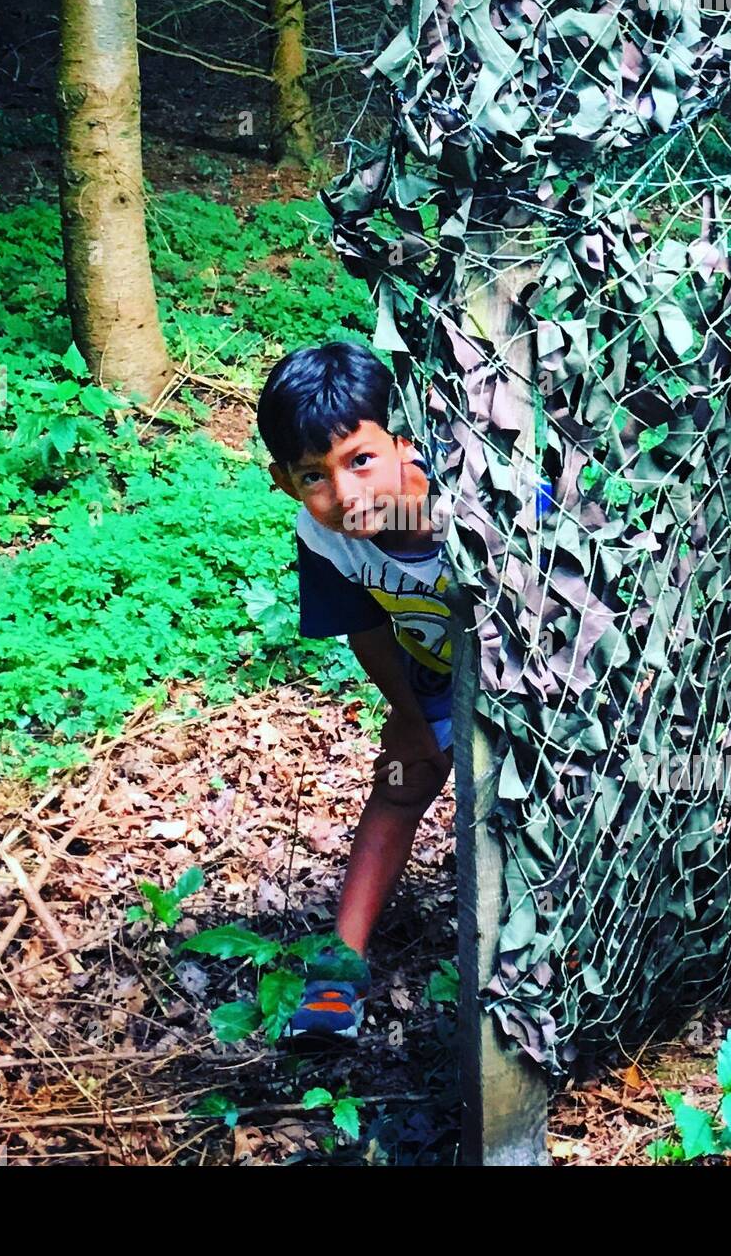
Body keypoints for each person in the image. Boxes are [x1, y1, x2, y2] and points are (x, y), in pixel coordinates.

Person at [255, 340, 457, 1040]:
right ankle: (339, 971)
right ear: (285, 482)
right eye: (315, 475)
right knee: (400, 781)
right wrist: (406, 716)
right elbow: (366, 626)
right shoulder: (324, 537)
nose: (344, 495)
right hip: (433, 674)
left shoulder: (469, 499)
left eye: (360, 459)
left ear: (405, 439)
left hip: (537, 673)